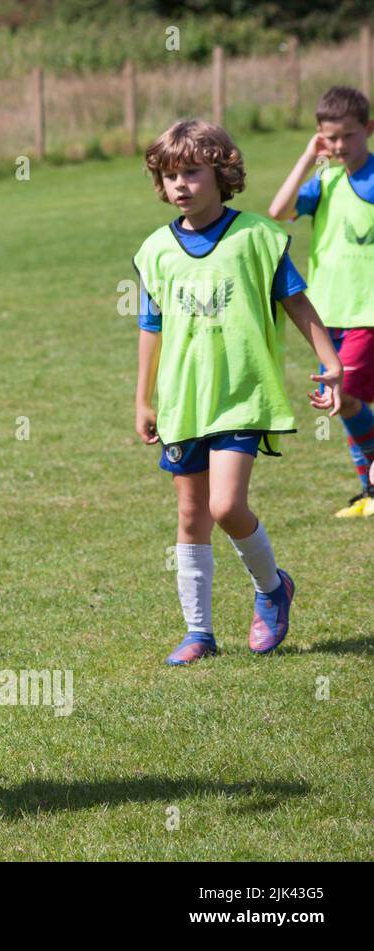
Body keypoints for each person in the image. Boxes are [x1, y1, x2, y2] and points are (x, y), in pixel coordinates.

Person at [132, 120, 343, 666]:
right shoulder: (156, 250)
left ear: (222, 173)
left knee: (226, 506)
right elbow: (150, 328)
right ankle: (198, 632)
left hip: (242, 394)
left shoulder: (257, 237)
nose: (180, 184)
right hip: (184, 400)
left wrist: (331, 361)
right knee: (190, 516)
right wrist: (144, 398)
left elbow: (297, 302)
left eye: (192, 172)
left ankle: (272, 588)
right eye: (170, 175)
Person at [268, 86, 374, 518]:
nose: (339, 146)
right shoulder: (326, 179)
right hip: (328, 312)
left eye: (348, 136)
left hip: (367, 313)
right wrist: (307, 158)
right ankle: (368, 489)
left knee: (342, 393)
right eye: (330, 138)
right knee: (342, 402)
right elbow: (278, 210)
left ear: (368, 130)